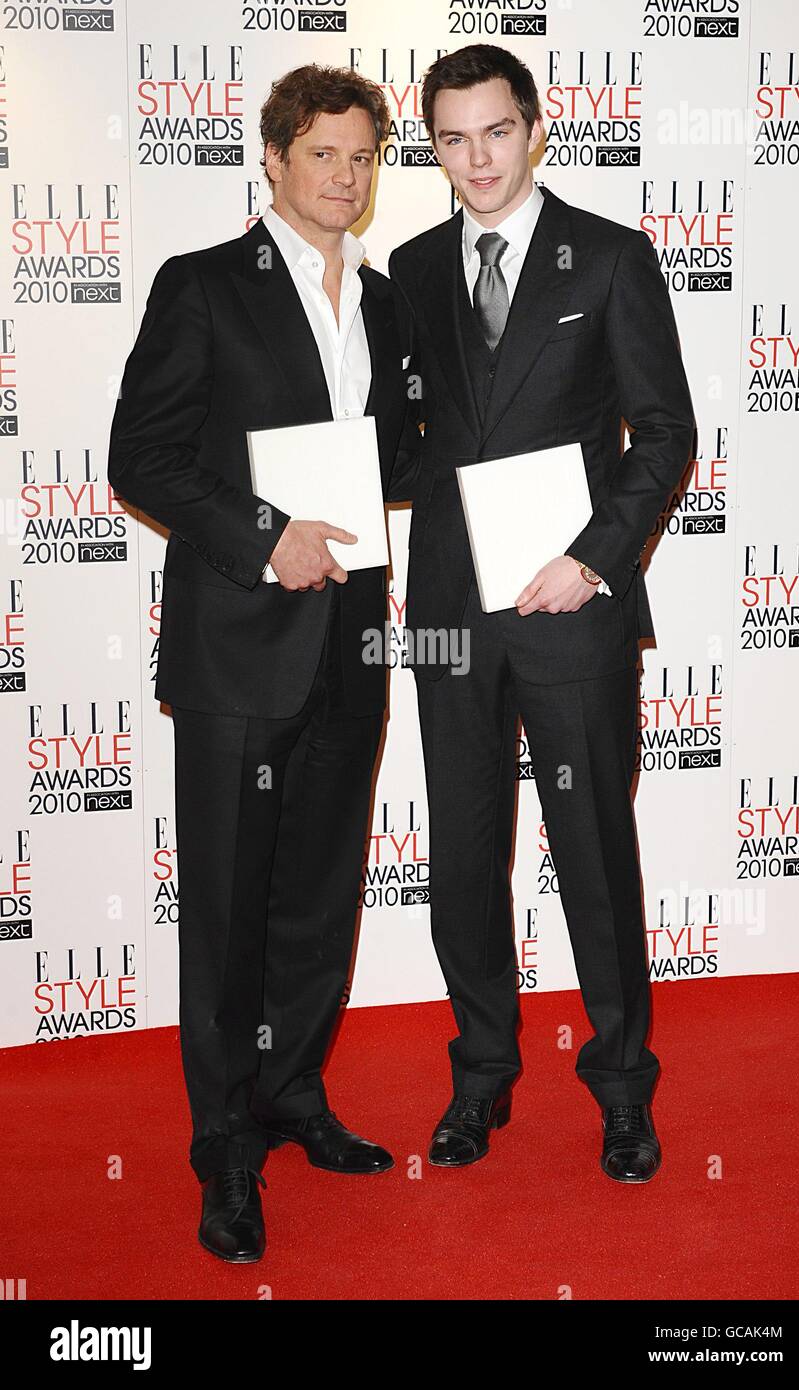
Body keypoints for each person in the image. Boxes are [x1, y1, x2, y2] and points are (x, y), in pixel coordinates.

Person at [108, 63, 420, 1261]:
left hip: (352, 639)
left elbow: (395, 454)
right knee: (231, 909)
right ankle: (223, 1150)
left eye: (361, 157)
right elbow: (142, 457)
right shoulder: (201, 288)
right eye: (322, 154)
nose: (344, 177)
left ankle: (293, 1094)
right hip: (240, 644)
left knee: (317, 893)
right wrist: (261, 536)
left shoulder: (386, 300)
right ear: (274, 158)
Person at [388, 44, 695, 1182]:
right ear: (435, 146)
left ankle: (621, 1090)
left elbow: (663, 430)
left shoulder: (609, 259)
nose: (475, 157)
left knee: (592, 854)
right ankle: (478, 1080)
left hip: (570, 612)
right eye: (451, 138)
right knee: (461, 859)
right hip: (449, 614)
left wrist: (591, 558)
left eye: (494, 131)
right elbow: (400, 439)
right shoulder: (411, 271)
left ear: (534, 128)